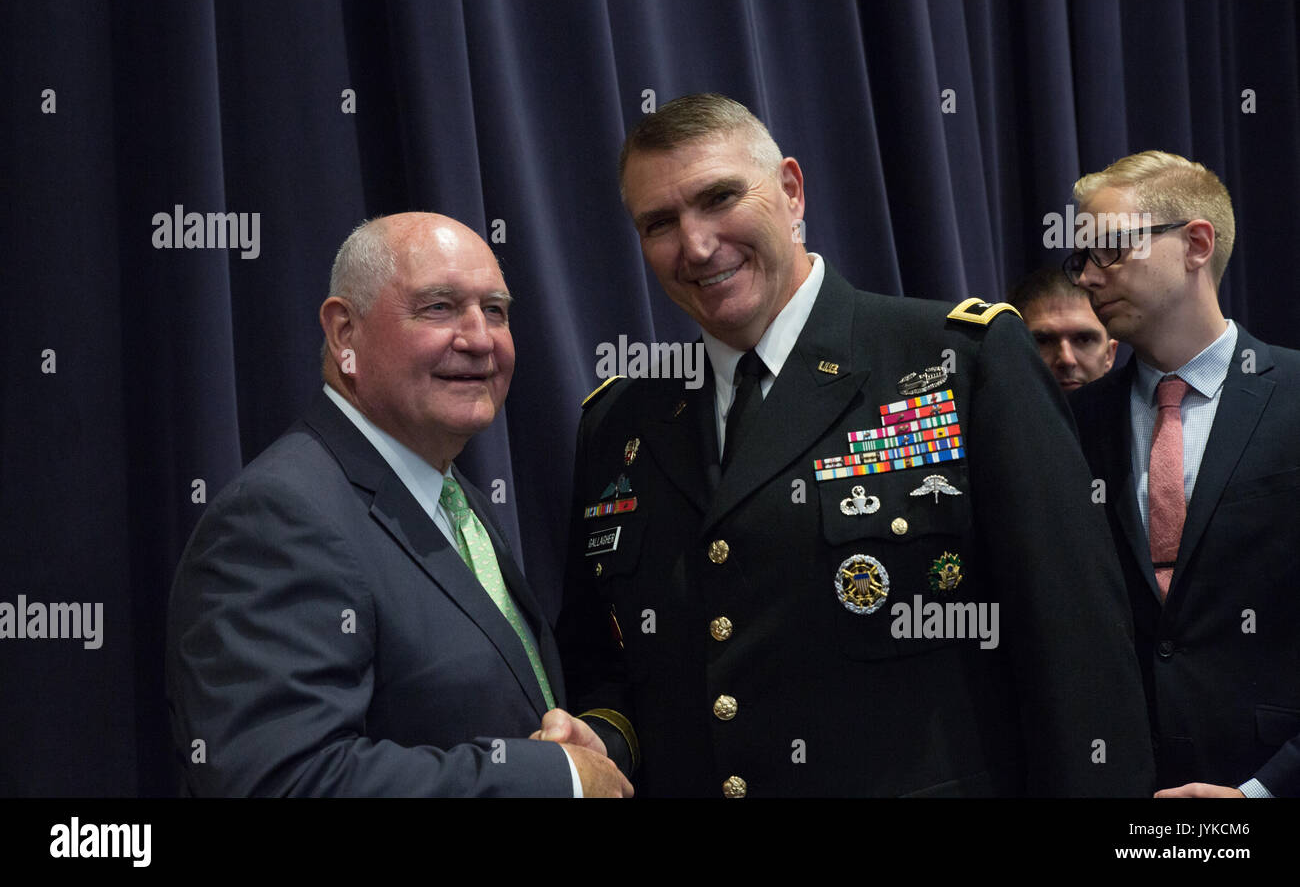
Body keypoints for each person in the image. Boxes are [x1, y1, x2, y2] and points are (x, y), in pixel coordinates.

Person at [552, 93, 1154, 797]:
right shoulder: (620, 420)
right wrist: (601, 737)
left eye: (719, 198)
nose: (696, 245)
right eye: (659, 223)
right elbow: (606, 665)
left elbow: (1076, 649)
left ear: (791, 190)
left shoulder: (959, 360)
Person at [166, 212, 632, 797]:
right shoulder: (275, 518)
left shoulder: (449, 493)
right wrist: (551, 779)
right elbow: (279, 782)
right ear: (344, 335)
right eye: (438, 307)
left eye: (495, 310)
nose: (479, 337)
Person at [1067, 151, 1300, 798]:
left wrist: (1267, 790)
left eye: (1109, 250)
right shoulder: (1069, 425)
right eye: (1078, 258)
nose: (1087, 276)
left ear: (1196, 244)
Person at [1009, 267, 1117, 390]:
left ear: (1109, 354)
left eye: (1084, 340)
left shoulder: (1140, 408)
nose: (1067, 360)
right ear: (1014, 352)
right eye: (1043, 341)